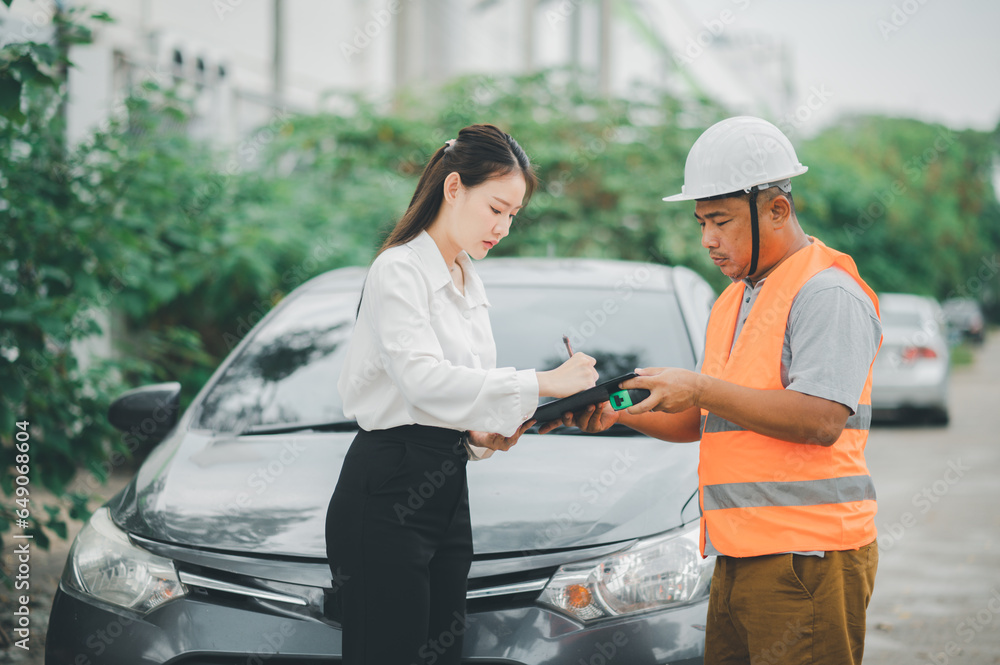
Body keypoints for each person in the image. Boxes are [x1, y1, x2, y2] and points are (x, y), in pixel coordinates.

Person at [542, 116, 882, 665]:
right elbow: (702, 421)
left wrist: (698, 386)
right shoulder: (733, 301)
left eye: (720, 221)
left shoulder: (827, 292)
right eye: (701, 222)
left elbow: (820, 419)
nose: (707, 240)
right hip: (733, 556)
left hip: (806, 556)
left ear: (776, 208)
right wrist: (618, 411)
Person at [326, 123, 599, 665]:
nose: (503, 227)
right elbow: (423, 382)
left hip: (446, 481)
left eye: (513, 216)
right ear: (454, 188)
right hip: (387, 486)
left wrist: (481, 437)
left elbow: (454, 401)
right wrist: (544, 382)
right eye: (496, 208)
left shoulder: (468, 280)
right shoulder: (399, 269)